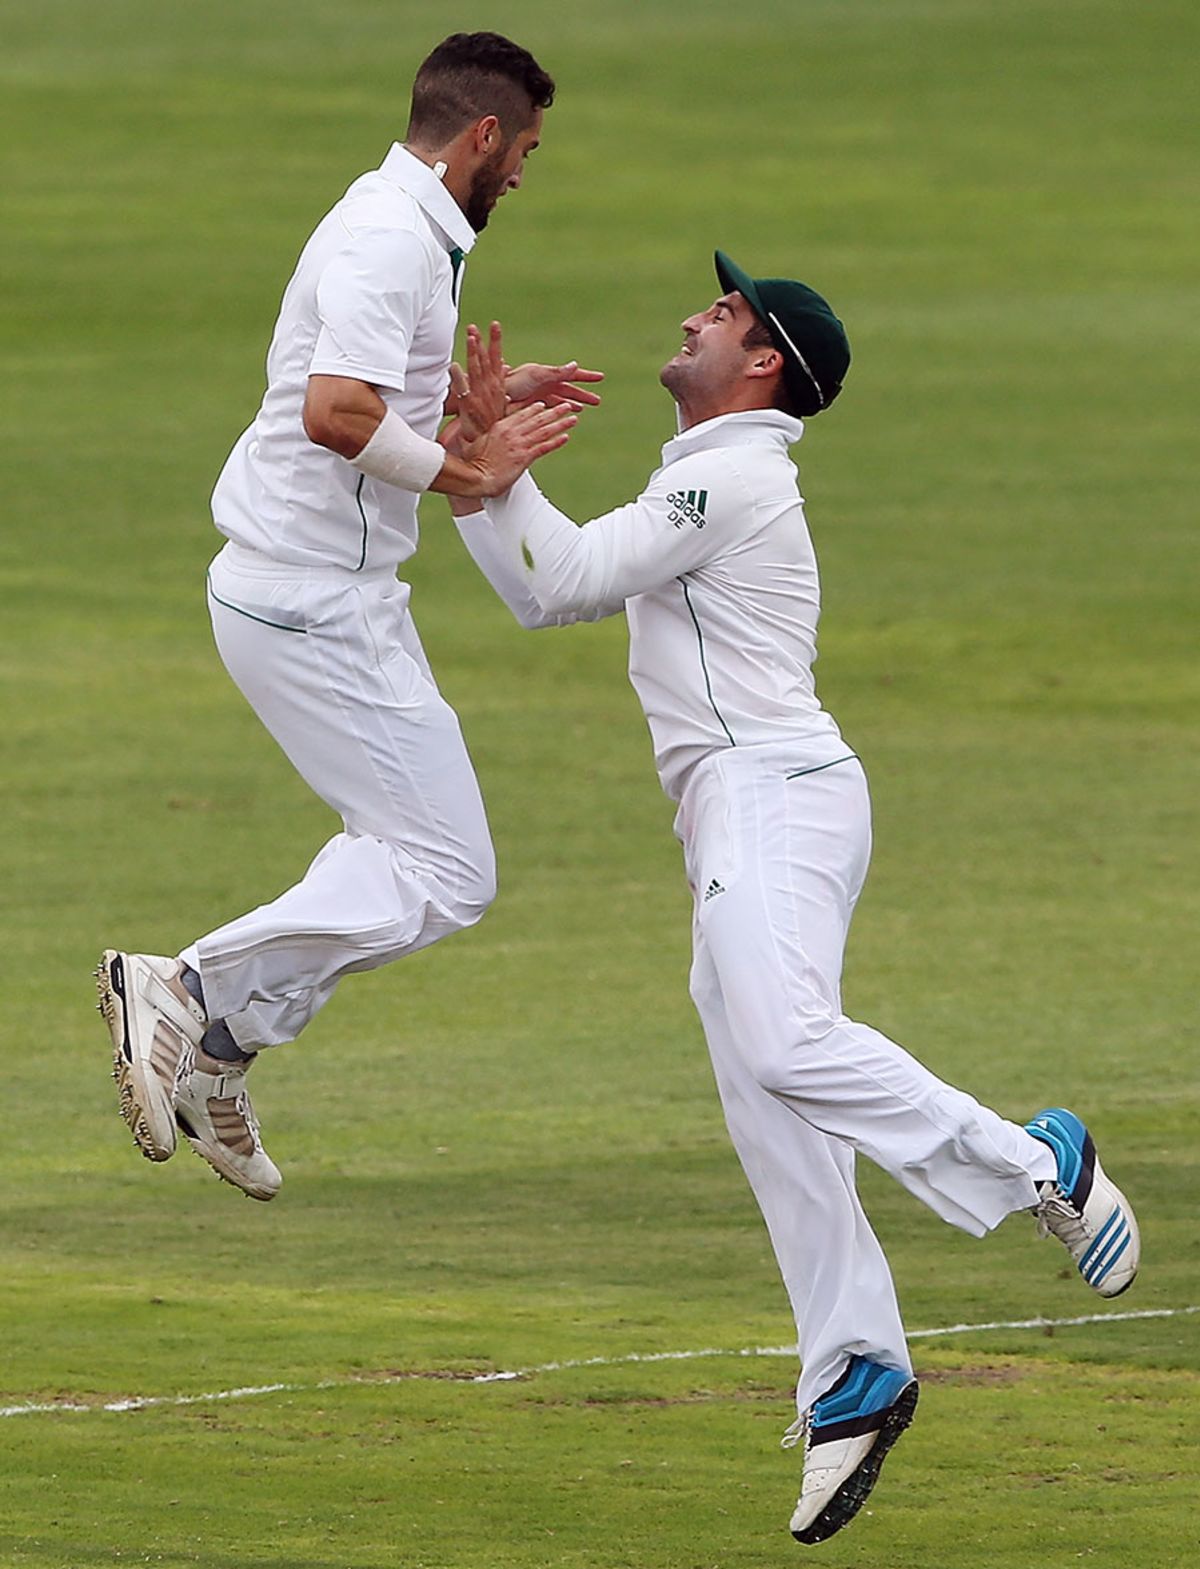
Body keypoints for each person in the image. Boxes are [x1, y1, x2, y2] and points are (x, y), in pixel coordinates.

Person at [441, 254, 1141, 1545]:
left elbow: (569, 578)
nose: (695, 314)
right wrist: (484, 467)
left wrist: (492, 469)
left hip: (774, 793)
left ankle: (1037, 1159)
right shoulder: (711, 469)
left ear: (765, 362)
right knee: (772, 1099)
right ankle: (855, 1367)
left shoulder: (735, 474)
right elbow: (544, 588)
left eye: (724, 311)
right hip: (743, 806)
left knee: (782, 1045)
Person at [95, 31, 597, 1203]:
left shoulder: (409, 223)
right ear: (482, 135)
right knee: (448, 871)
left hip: (333, 594)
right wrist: (469, 471)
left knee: (400, 859)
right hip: (310, 600)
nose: (523, 174)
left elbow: (363, 398)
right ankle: (189, 989)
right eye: (524, 150)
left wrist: (464, 407)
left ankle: (221, 1050)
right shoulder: (391, 238)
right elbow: (332, 412)